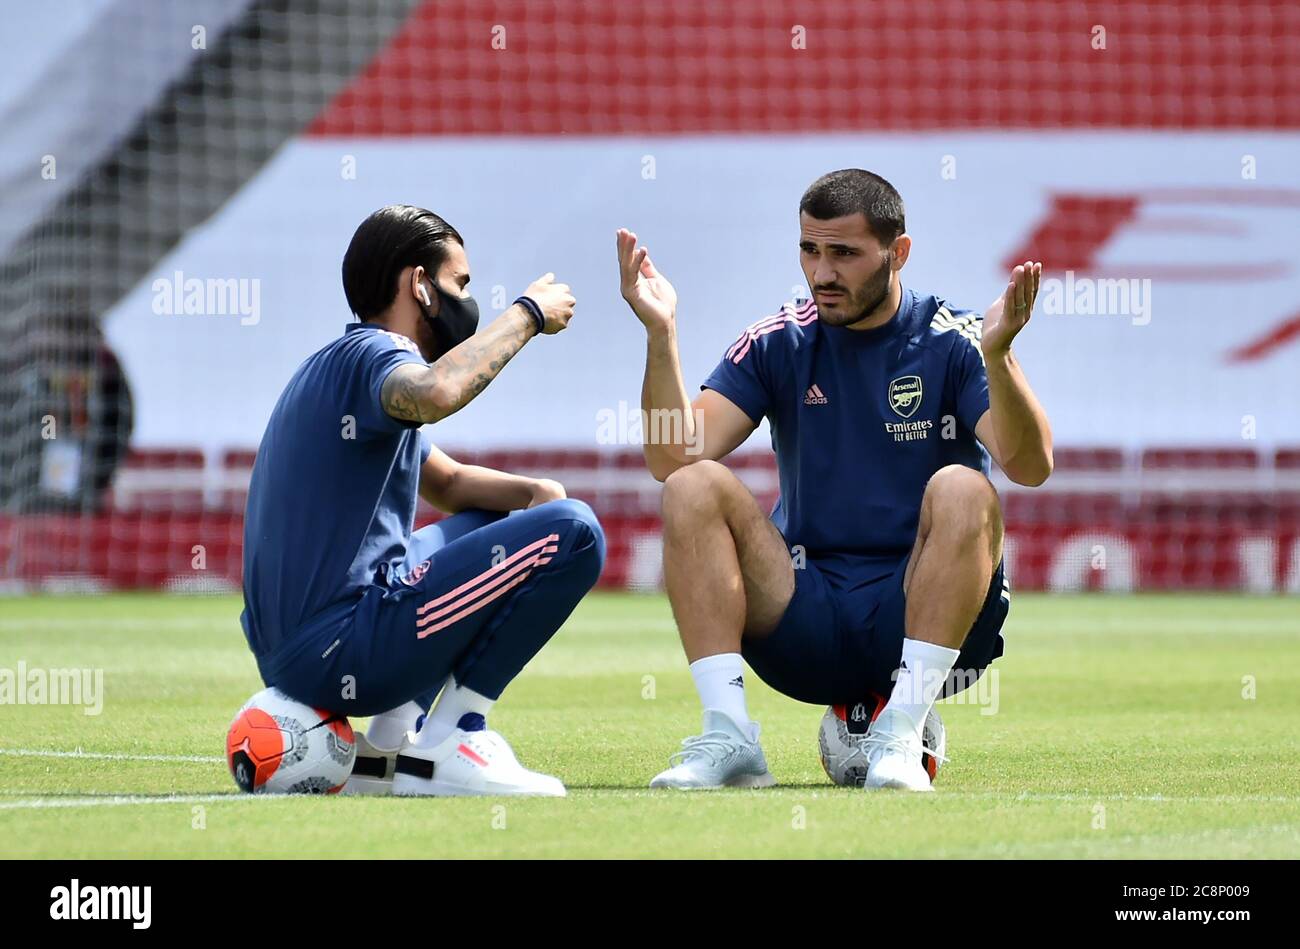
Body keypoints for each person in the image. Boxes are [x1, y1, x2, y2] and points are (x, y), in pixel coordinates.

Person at [616, 169, 1052, 791]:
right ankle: (729, 735)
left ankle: (900, 735)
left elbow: (1030, 466)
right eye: (809, 250)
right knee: (693, 485)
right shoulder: (780, 342)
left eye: (843, 253)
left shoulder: (953, 342)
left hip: (918, 613)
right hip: (805, 616)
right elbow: (672, 457)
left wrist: (999, 354)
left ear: (897, 253)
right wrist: (661, 334)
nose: (821, 273)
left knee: (964, 487)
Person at [241, 205, 605, 797]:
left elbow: (449, 484)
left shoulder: (340, 365)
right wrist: (528, 314)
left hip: (296, 657)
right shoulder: (376, 355)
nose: (467, 298)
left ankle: (389, 743)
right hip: (341, 652)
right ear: (419, 284)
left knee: (496, 519)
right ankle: (452, 739)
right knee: (579, 533)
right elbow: (437, 391)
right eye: (459, 282)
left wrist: (534, 493)